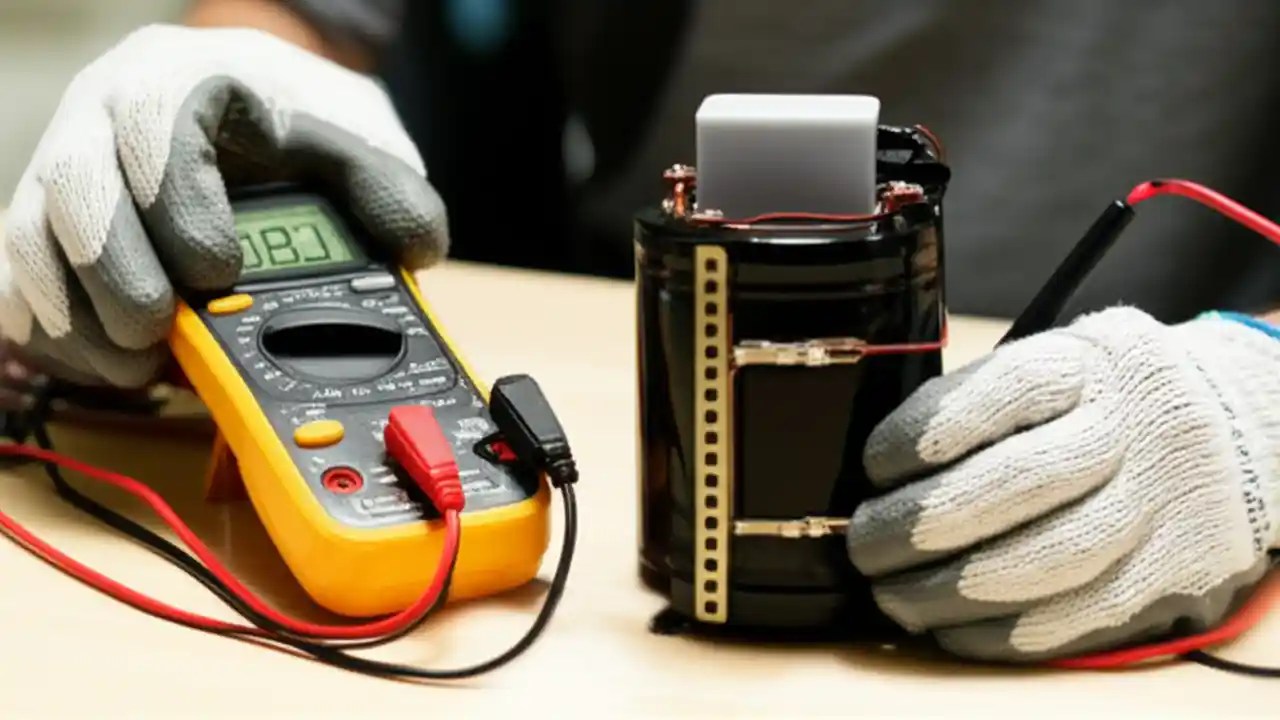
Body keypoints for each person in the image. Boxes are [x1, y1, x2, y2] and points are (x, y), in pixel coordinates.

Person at [0, 0, 1276, 663]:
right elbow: (299, 13)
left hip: (1182, 412)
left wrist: (1257, 390)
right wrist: (228, 88)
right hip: (635, 474)